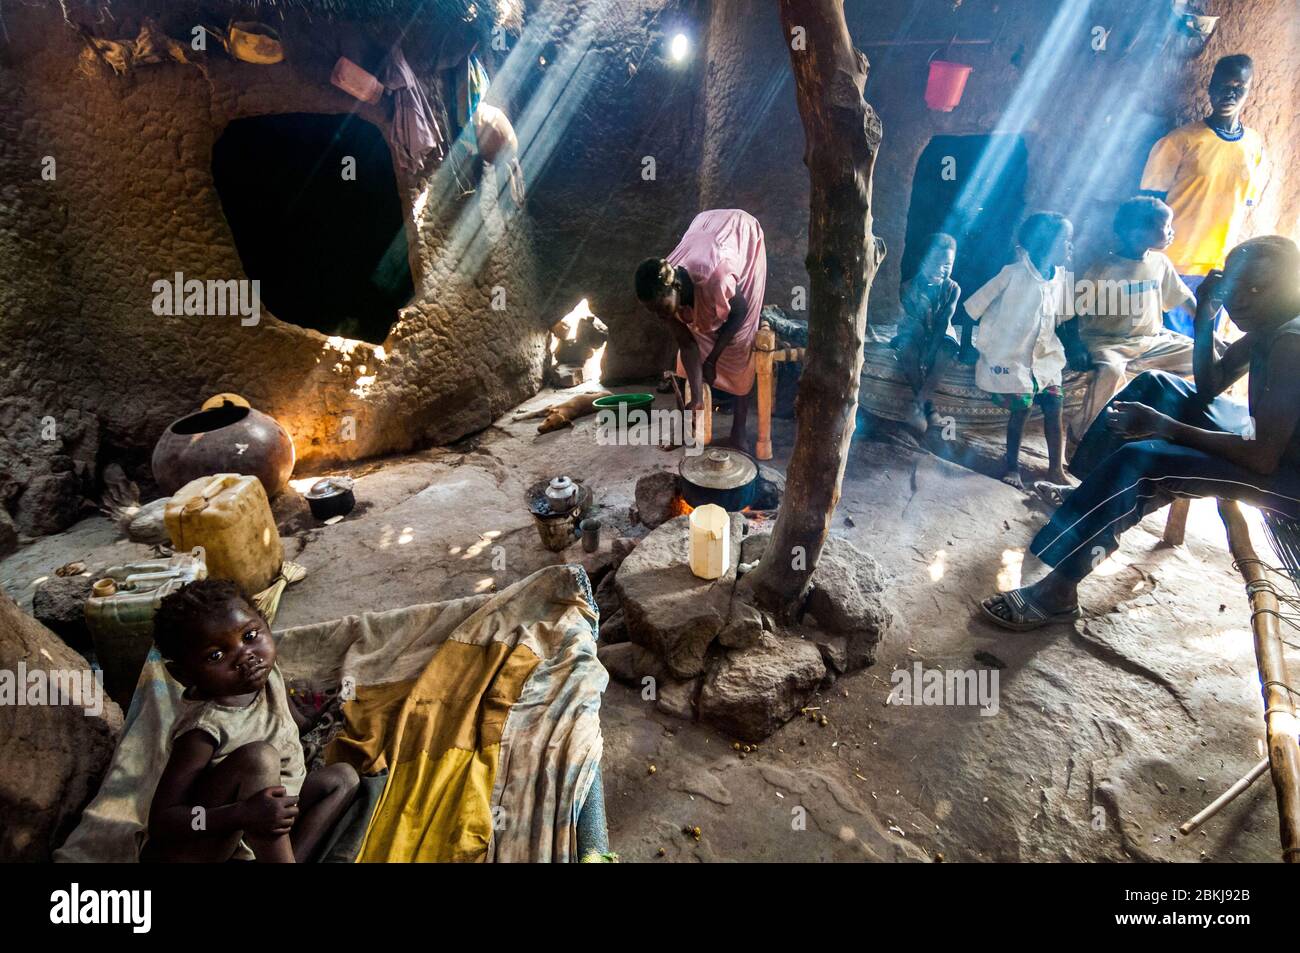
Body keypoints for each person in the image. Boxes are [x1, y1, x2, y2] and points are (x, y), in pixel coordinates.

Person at [980, 236, 1300, 631]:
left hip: (1286, 474)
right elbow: (1210, 384)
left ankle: (1058, 592)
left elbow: (1261, 457)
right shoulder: (1272, 322)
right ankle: (1090, 497)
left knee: (1144, 460)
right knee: (1155, 386)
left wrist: (1162, 426)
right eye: (1236, 287)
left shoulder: (1292, 340)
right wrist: (1204, 319)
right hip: (1271, 441)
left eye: (1257, 288)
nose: (1243, 301)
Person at [142, 579, 359, 862]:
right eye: (216, 655)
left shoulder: (265, 674)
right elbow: (165, 821)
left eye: (250, 636)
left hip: (267, 818)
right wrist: (241, 813)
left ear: (266, 625)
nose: (246, 656)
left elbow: (290, 721)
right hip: (212, 839)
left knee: (343, 779)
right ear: (183, 674)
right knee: (259, 758)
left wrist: (323, 716)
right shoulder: (203, 731)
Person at [1140, 54, 1268, 336]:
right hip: (1174, 262)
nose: (1229, 94)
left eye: (1239, 87)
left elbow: (1244, 203)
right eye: (1223, 85)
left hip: (1219, 267)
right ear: (1210, 88)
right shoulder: (1180, 141)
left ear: (1249, 90)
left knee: (1203, 351)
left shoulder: (1254, 147)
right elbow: (1149, 204)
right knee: (1168, 349)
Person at [635, 208, 767, 452]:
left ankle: (738, 435)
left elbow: (739, 311)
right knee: (685, 362)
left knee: (739, 342)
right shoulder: (663, 292)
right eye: (652, 311)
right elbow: (687, 344)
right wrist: (696, 397)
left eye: (660, 308)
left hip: (739, 232)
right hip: (704, 228)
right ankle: (690, 429)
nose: (659, 316)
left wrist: (713, 359)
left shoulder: (715, 276)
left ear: (675, 287)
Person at [1069, 197, 1197, 441]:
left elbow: (1183, 299)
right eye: (1165, 226)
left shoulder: (1160, 262)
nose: (1171, 232)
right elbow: (1072, 310)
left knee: (1201, 355)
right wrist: (1076, 345)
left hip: (1151, 340)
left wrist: (1207, 331)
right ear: (1137, 232)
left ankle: (1168, 413)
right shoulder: (1103, 268)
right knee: (1110, 370)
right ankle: (1083, 433)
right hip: (1107, 342)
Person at [964, 212, 1075, 489]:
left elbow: (1063, 320)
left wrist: (1077, 349)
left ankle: (1055, 469)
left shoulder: (1060, 277)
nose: (1070, 248)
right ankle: (1011, 466)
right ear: (1044, 246)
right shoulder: (1011, 274)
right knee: (1022, 407)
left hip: (1043, 357)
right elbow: (971, 309)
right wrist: (967, 347)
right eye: (1065, 242)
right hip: (1008, 354)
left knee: (1054, 405)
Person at [894, 233, 961, 434]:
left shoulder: (953, 289)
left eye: (947, 265)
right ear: (924, 260)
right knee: (907, 351)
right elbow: (917, 325)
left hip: (940, 330)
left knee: (945, 352)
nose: (941, 269)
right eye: (935, 263)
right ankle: (929, 408)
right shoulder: (907, 288)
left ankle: (919, 405)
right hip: (915, 329)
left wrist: (932, 351)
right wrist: (923, 349)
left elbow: (943, 321)